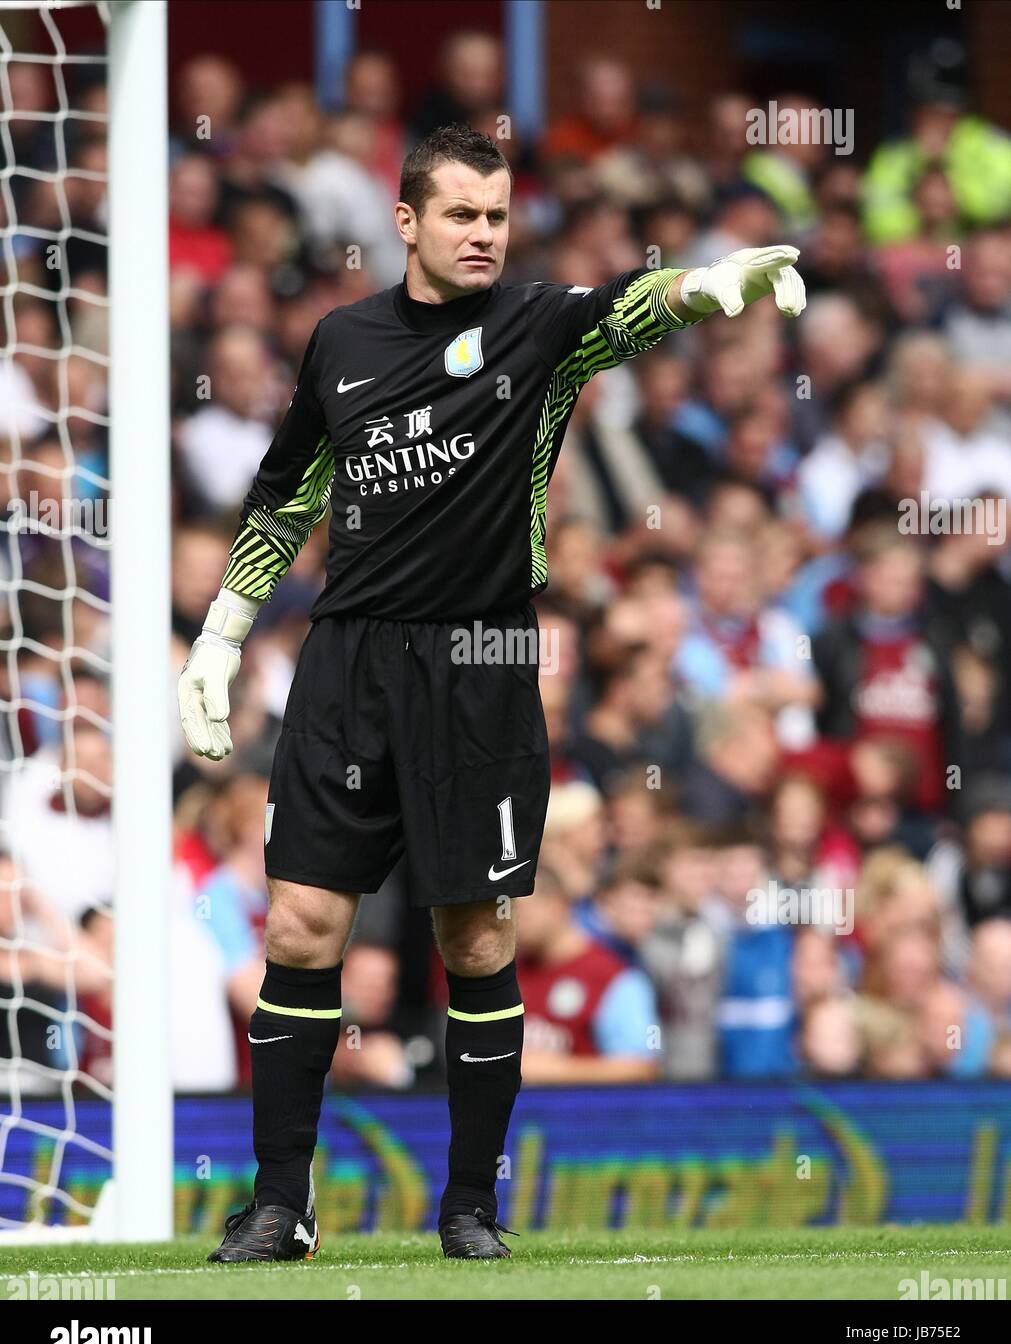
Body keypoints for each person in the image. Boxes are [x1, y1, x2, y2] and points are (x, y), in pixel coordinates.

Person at [176, 122, 806, 1263]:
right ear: (406, 222)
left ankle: (468, 1204)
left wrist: (707, 288)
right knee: (303, 922)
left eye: (496, 215)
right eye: (460, 214)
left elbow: (629, 308)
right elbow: (284, 499)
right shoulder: (341, 341)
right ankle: (279, 1205)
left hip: (482, 663)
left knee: (474, 937)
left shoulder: (534, 326)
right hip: (348, 661)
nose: (482, 234)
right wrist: (222, 630)